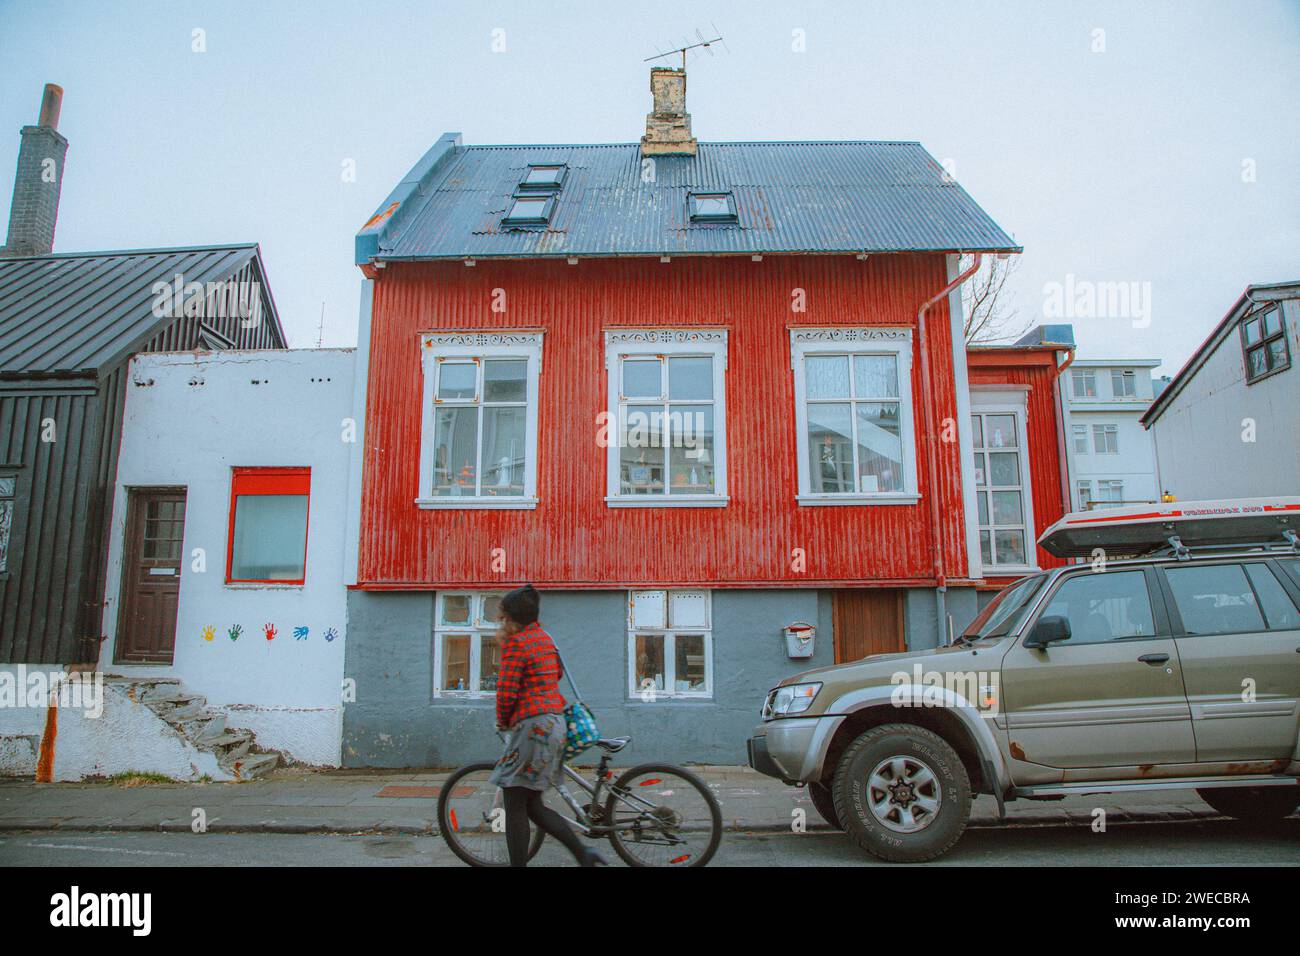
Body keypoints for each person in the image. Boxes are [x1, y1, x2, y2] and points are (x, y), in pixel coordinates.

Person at [489, 585, 605, 867]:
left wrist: (503, 721)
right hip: (555, 724)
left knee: (514, 800)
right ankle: (583, 854)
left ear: (512, 618)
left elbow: (506, 691)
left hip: (532, 727)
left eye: (503, 616)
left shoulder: (517, 643)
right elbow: (557, 672)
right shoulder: (543, 638)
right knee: (533, 805)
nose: (501, 621)